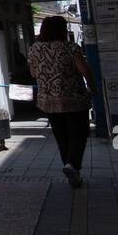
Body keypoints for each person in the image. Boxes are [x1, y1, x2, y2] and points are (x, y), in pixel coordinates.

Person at [27, 15, 96, 188]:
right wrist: (93, 87)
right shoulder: (70, 47)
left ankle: (69, 167)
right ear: (62, 30)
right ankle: (72, 165)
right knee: (79, 134)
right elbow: (85, 70)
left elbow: (34, 73)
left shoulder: (34, 49)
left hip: (49, 100)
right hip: (74, 98)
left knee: (62, 136)